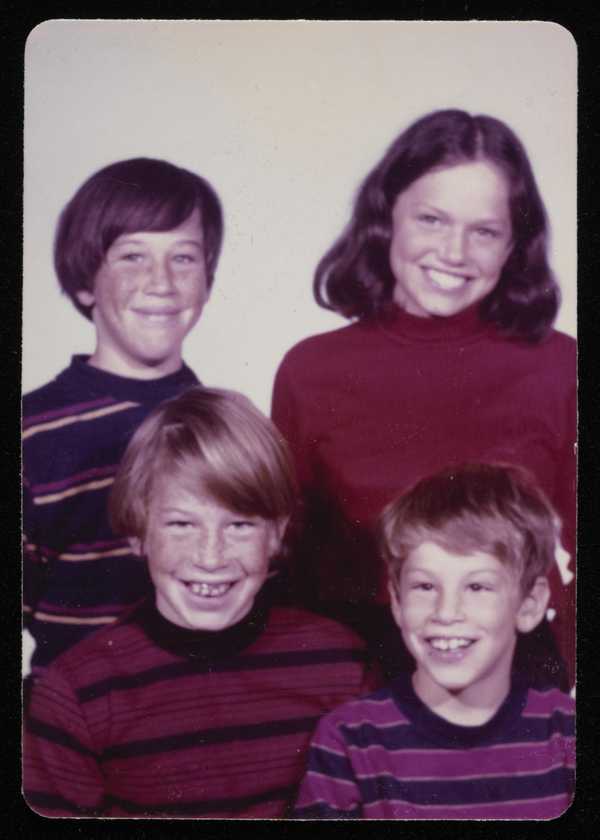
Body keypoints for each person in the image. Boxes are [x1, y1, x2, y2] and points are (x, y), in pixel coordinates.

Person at [271, 109, 575, 687]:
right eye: (432, 220)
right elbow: (289, 564)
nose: (455, 252)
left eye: (484, 230)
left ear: (516, 243)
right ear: (387, 218)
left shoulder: (560, 366)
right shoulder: (312, 371)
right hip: (357, 684)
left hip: (514, 684)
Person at [23, 387, 380, 818]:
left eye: (240, 525)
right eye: (181, 523)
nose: (210, 557)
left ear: (277, 532)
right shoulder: (76, 695)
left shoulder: (341, 664)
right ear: (138, 530)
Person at [23, 157, 224, 679]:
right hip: (76, 730)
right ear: (86, 282)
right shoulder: (31, 437)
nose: (161, 282)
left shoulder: (230, 431)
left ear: (208, 279)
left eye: (184, 258)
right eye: (132, 256)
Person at [293, 463, 575, 820]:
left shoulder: (566, 733)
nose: (446, 612)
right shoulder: (350, 741)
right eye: (425, 587)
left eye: (477, 587)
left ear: (529, 605)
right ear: (396, 600)